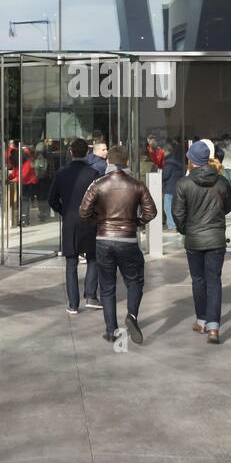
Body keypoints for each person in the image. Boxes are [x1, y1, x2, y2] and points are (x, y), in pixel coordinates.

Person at [79, 145, 157, 344]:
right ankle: (131, 316)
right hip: (128, 239)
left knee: (107, 286)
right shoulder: (137, 185)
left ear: (108, 162)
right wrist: (135, 223)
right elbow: (151, 212)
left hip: (104, 239)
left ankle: (111, 330)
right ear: (127, 162)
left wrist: (99, 222)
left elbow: (84, 211)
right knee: (134, 281)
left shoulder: (98, 184)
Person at [172, 139, 231, 344]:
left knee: (198, 281)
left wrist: (186, 230)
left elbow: (178, 215)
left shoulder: (183, 183)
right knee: (214, 281)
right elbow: (228, 207)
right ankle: (214, 328)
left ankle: (201, 320)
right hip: (216, 238)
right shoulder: (222, 182)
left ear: (191, 161)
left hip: (194, 240)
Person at [48, 138, 102, 314]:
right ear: (87, 152)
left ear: (71, 152)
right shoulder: (93, 174)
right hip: (90, 222)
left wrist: (63, 210)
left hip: (70, 222)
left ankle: (73, 304)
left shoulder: (61, 174)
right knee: (93, 258)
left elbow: (51, 200)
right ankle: (91, 295)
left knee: (71, 263)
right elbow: (100, 199)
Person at [161, 139, 184, 229]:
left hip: (169, 188)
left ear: (166, 151)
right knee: (174, 208)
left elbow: (165, 175)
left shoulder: (169, 162)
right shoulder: (177, 160)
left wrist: (159, 175)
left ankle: (171, 226)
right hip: (177, 187)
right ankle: (175, 225)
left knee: (167, 208)